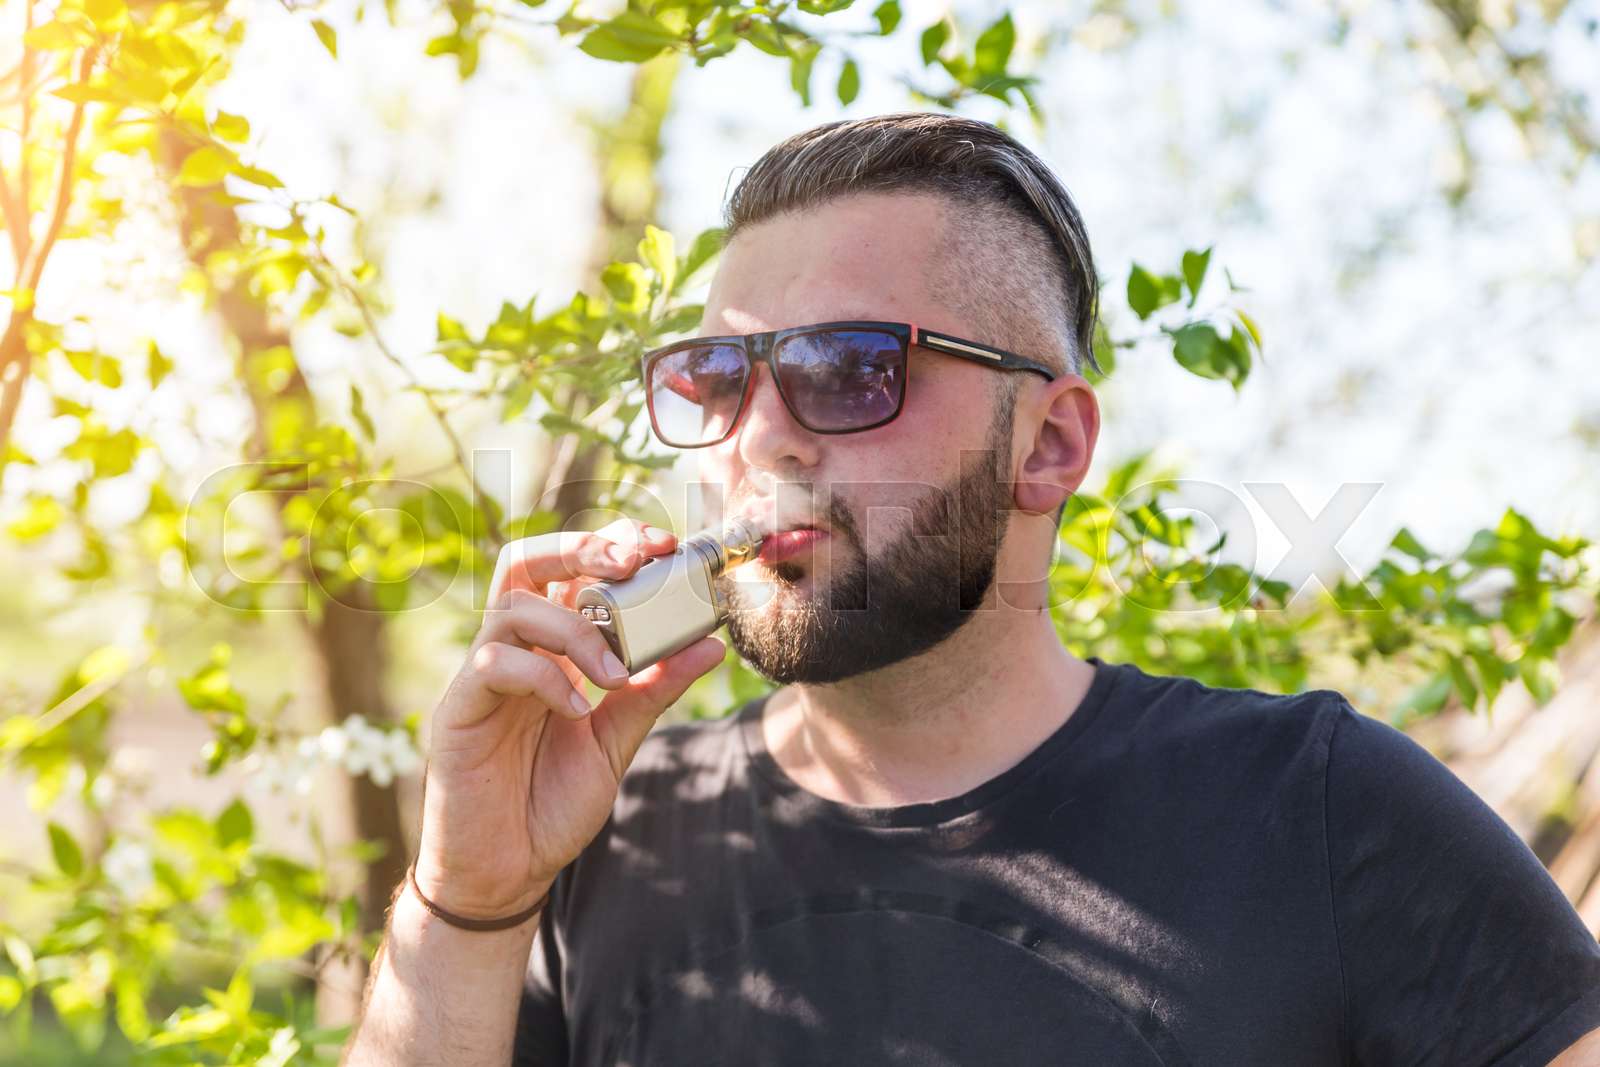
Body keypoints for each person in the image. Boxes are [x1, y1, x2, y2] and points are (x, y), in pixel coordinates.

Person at [343, 112, 1600, 1066]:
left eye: (846, 368)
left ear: (1047, 445)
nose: (760, 438)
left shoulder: (1318, 814)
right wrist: (470, 896)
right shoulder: (607, 840)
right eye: (719, 375)